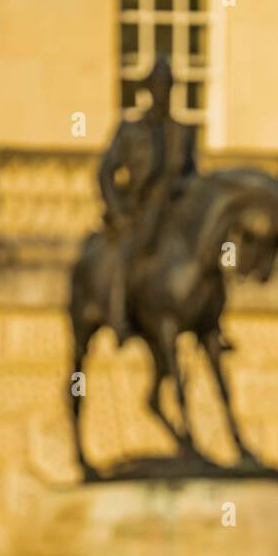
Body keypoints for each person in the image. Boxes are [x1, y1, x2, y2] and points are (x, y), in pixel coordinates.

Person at [98, 57, 197, 345]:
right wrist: (117, 212)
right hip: (137, 211)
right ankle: (121, 315)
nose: (163, 92)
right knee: (127, 253)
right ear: (149, 89)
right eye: (158, 86)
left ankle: (209, 319)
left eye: (168, 86)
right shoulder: (130, 129)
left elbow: (193, 176)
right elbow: (106, 172)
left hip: (172, 212)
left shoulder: (183, 131)